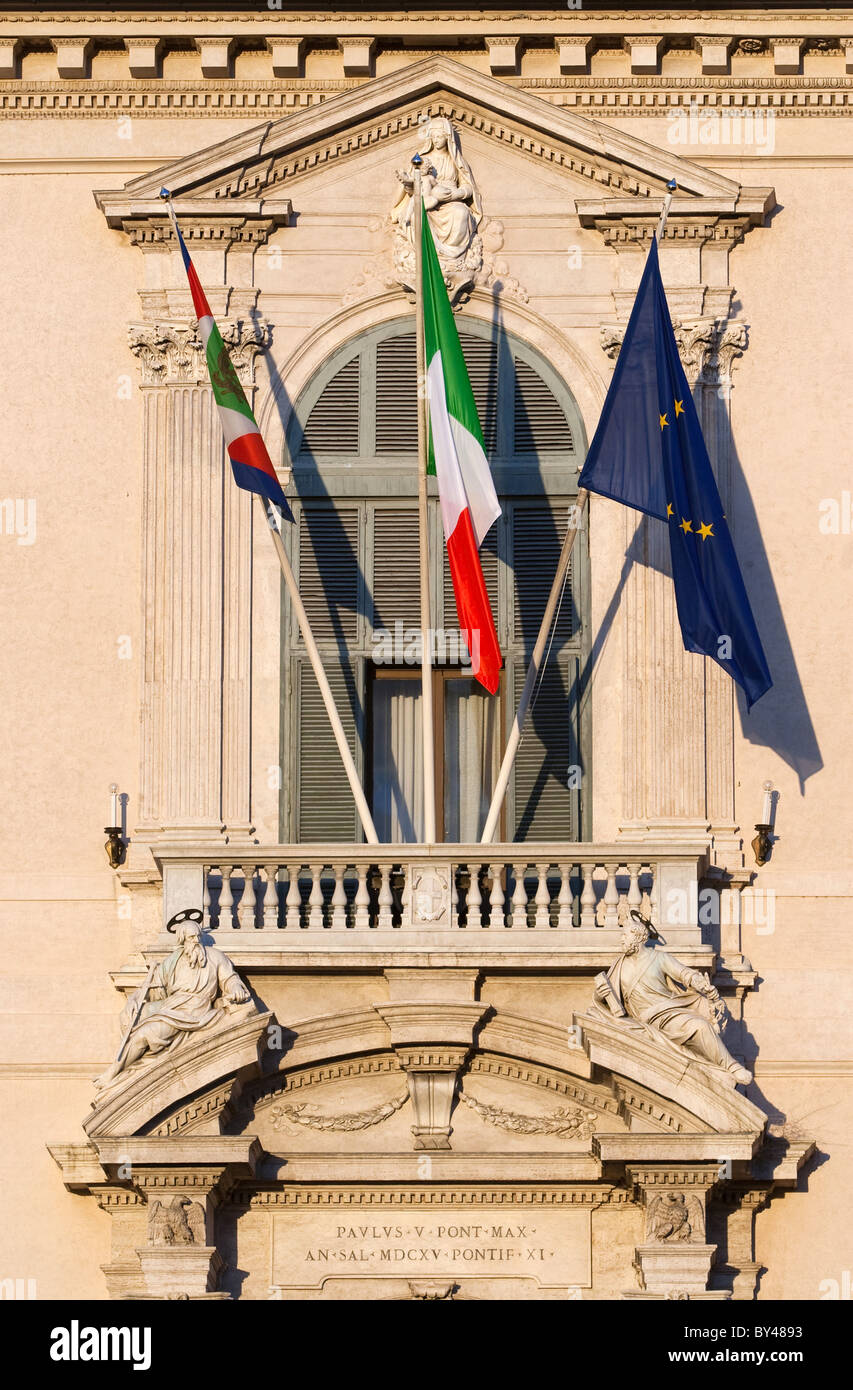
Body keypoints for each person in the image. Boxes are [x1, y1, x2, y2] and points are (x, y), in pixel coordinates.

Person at [594, 913, 752, 1086]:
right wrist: (599, 994)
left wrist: (702, 984)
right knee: (699, 1027)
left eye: (625, 935)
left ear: (637, 937)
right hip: (644, 1021)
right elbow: (603, 998)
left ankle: (732, 1067)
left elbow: (685, 974)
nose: (621, 939)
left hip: (668, 1013)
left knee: (701, 1026)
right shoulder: (619, 965)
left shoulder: (659, 958)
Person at [94, 920, 250, 1090]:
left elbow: (230, 978)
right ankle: (122, 1068)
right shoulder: (173, 960)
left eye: (198, 936)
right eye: (191, 937)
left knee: (144, 1034)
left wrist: (235, 988)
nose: (196, 941)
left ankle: (113, 1073)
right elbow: (154, 988)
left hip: (195, 1009)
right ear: (183, 940)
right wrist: (134, 1000)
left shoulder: (215, 956)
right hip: (172, 1006)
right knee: (133, 1014)